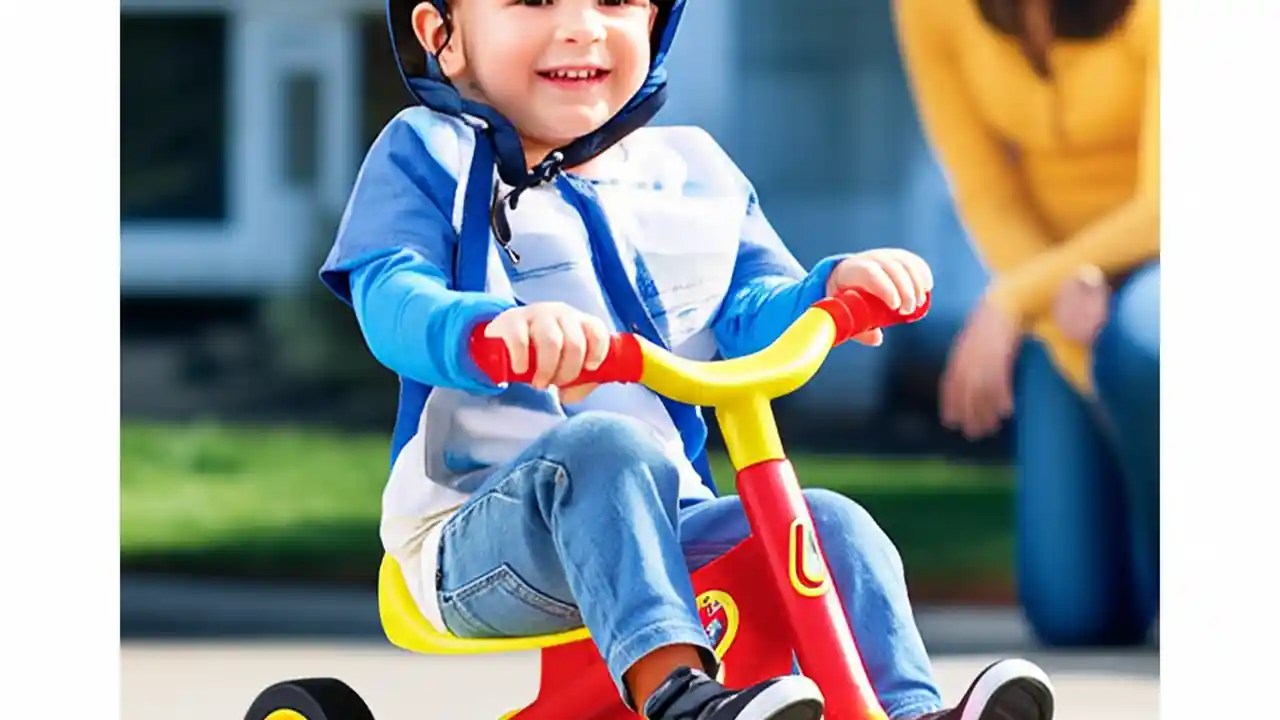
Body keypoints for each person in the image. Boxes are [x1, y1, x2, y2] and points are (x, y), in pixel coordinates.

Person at [320, 1, 1058, 718]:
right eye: (534, 0)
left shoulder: (692, 172)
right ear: (442, 34)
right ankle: (679, 696)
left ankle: (903, 709)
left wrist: (828, 291)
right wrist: (488, 331)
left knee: (827, 526)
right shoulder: (428, 153)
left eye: (615, 0)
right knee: (603, 448)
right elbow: (391, 294)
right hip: (478, 537)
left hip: (670, 526)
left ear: (655, 19)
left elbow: (749, 312)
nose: (581, 26)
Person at [893, 0, 1159, 646]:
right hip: (1058, 298)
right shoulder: (927, 9)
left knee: (1148, 344)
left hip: (1174, 267)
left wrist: (1014, 302)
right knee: (1072, 614)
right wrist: (1061, 317)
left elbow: (1171, 202)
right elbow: (985, 191)